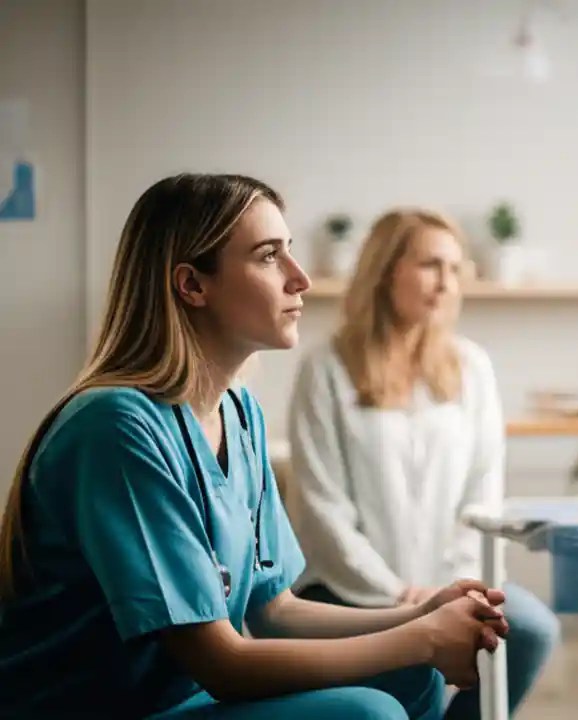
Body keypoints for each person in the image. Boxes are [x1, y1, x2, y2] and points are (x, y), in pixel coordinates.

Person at [0, 174, 508, 719]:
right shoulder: (116, 428)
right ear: (192, 285)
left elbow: (277, 610)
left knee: (414, 679)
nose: (301, 279)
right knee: (371, 713)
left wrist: (418, 615)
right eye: (269, 257)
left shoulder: (240, 415)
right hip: (104, 710)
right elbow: (223, 664)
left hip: (181, 699)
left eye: (290, 252)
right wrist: (422, 638)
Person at [285, 208, 559, 719]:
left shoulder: (472, 366)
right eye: (431, 265)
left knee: (535, 629)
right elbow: (323, 511)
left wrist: (448, 586)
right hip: (349, 588)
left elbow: (483, 496)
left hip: (450, 581)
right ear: (386, 270)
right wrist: (397, 593)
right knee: (417, 674)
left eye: (456, 270)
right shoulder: (325, 367)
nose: (446, 283)